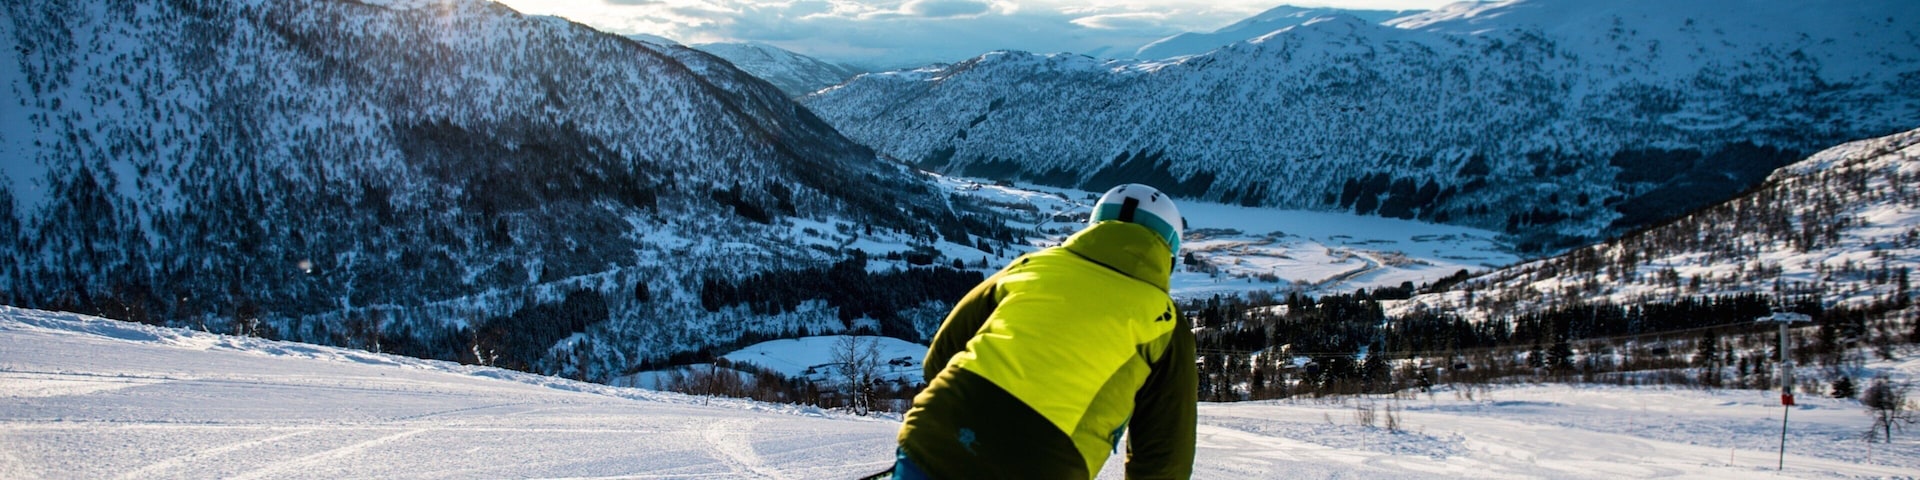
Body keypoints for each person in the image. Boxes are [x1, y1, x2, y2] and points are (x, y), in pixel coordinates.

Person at [890, 183, 1197, 479]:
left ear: (1094, 226)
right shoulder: (1166, 321)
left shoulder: (1033, 264)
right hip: (1044, 465)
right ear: (1168, 253)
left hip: (936, 429)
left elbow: (941, 356)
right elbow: (1164, 462)